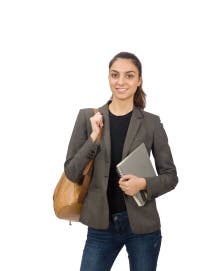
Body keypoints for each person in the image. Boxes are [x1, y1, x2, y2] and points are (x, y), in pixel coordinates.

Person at [63, 52, 178, 271]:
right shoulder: (88, 117)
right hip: (100, 225)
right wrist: (93, 138)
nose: (121, 82)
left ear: (139, 80)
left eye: (129, 76)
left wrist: (143, 184)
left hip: (142, 227)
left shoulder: (151, 123)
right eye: (115, 75)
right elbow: (71, 172)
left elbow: (171, 177)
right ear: (108, 77)